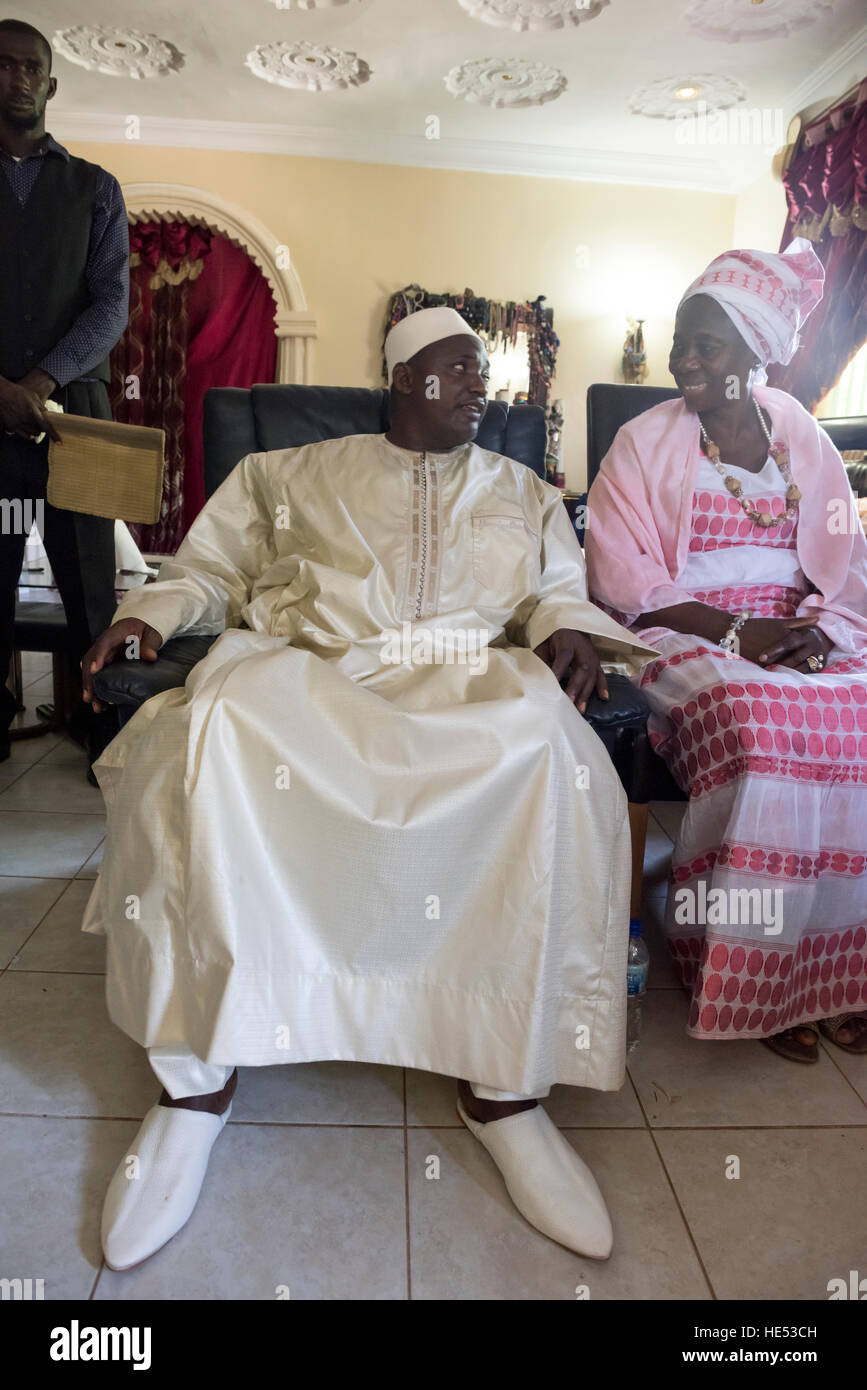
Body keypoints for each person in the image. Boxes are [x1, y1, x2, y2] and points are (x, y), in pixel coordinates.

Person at [79, 306, 655, 1271]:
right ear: (403, 378)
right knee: (210, 737)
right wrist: (151, 612)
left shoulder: (523, 489)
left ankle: (504, 1086)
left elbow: (557, 587)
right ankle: (196, 1085)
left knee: (549, 752)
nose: (483, 387)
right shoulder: (286, 474)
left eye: (485, 375)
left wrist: (569, 628)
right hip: (313, 671)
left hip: (468, 674)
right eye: (460, 370)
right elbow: (211, 567)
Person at [586, 240, 867, 1065]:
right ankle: (751, 973)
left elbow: (842, 557)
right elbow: (621, 575)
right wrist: (740, 635)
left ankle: (837, 974)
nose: (682, 360)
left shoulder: (802, 439)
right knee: (760, 724)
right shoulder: (643, 441)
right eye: (680, 342)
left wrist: (817, 627)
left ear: (755, 355)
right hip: (678, 629)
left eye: (704, 345)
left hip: (794, 624)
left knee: (853, 714)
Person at [0, 19, 129, 776]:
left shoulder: (97, 189)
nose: (17, 76)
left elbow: (111, 306)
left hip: (75, 420)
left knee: (87, 575)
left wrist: (38, 386)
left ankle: (105, 732)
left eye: (31, 67)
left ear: (51, 84)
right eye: (4, 63)